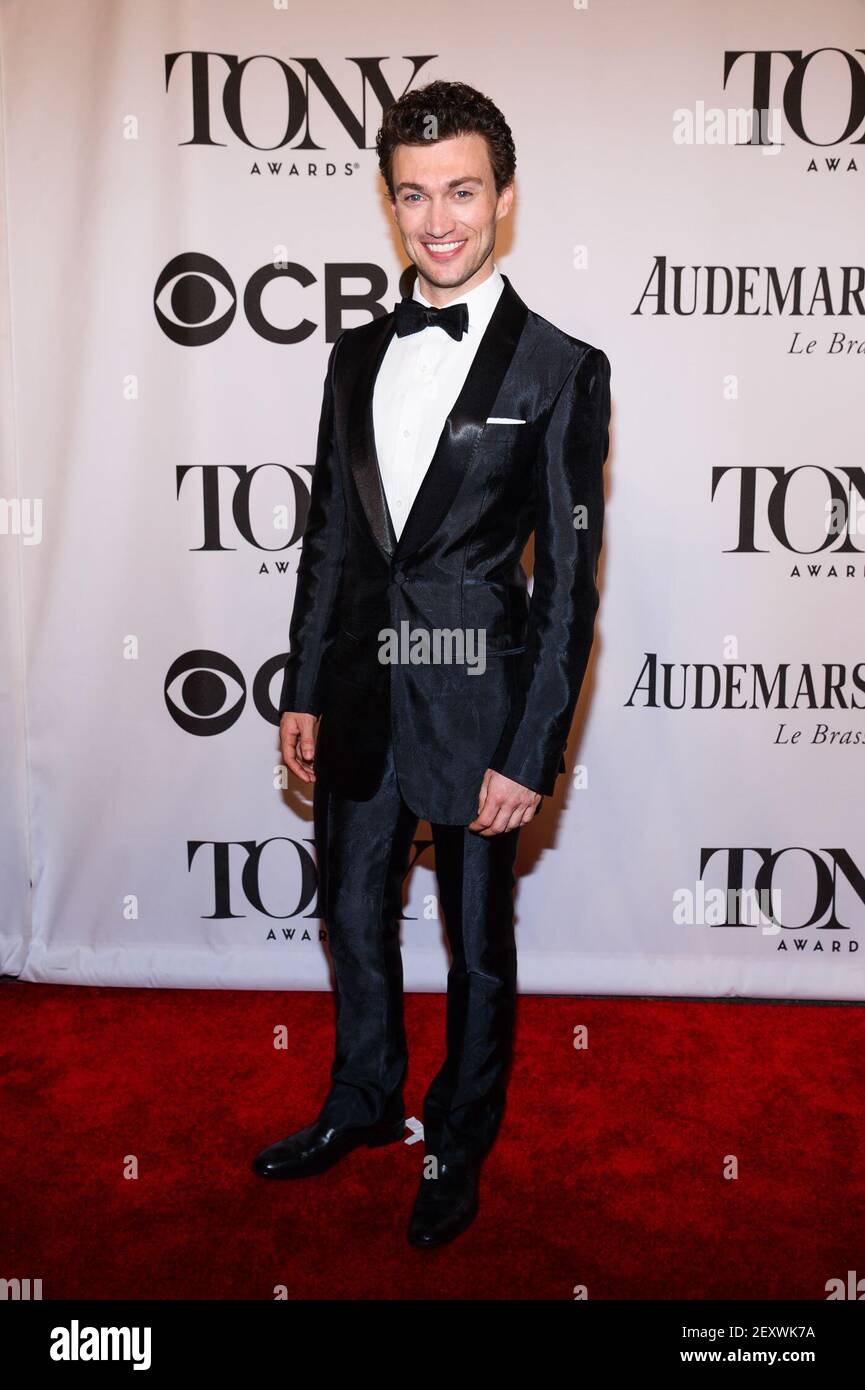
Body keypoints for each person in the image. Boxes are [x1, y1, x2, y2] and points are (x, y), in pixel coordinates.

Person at [252, 79, 612, 1249]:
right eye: (415, 195)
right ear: (389, 202)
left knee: (477, 948)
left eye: (462, 190)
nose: (439, 218)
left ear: (502, 198)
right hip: (357, 692)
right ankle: (361, 1100)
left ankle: (457, 1136)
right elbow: (330, 542)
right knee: (353, 917)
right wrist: (304, 682)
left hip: (479, 701)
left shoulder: (560, 366)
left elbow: (567, 589)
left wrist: (531, 749)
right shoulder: (355, 356)